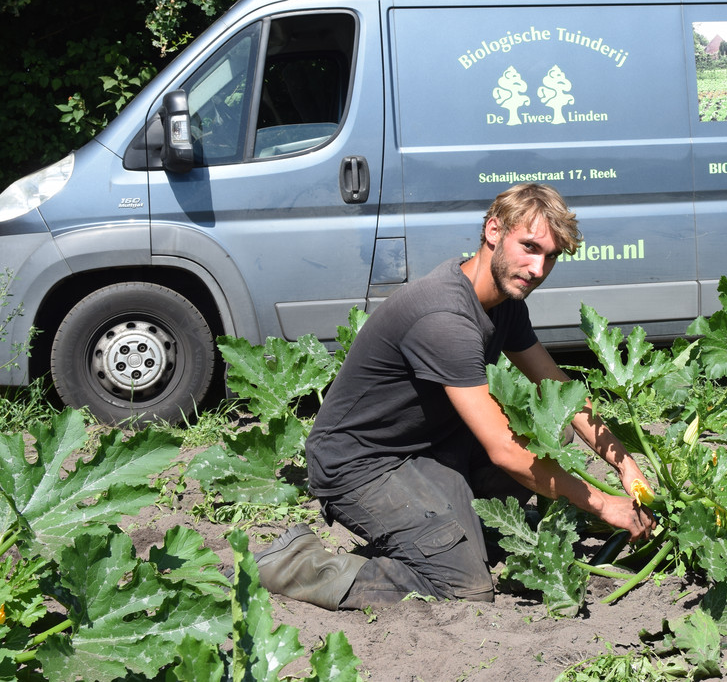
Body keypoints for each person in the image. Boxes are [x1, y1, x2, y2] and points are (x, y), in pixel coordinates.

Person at [249, 183, 655, 609]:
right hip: (360, 465)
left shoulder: (506, 302)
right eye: (529, 247)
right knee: (464, 587)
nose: (537, 268)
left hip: (430, 447)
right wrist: (604, 504)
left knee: (552, 431)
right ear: (493, 231)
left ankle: (462, 533)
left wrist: (625, 464)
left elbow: (559, 391)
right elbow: (504, 451)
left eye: (550, 256)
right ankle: (295, 563)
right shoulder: (444, 316)